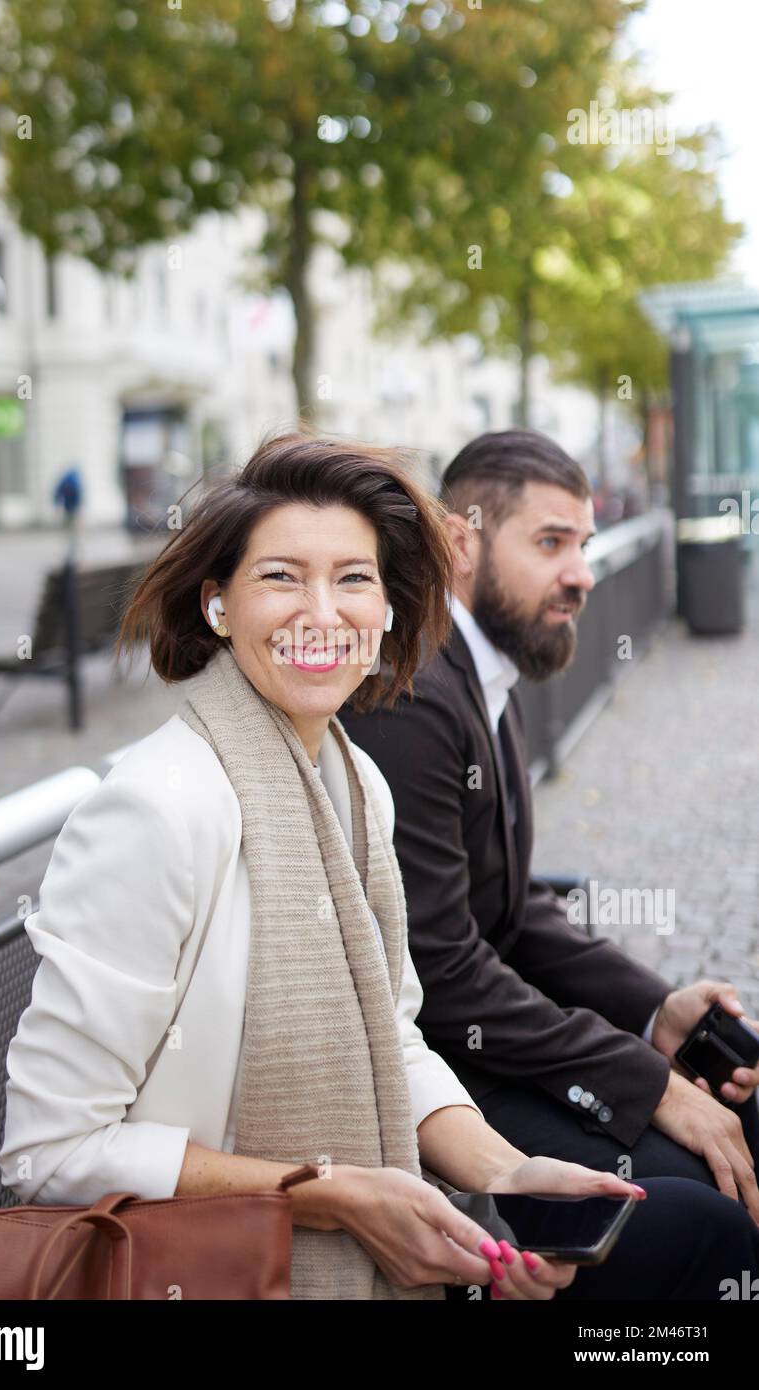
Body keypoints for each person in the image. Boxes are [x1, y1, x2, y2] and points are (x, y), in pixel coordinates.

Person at [0, 430, 759, 1300]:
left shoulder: (355, 781)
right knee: (701, 1239)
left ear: (390, 609)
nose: (324, 613)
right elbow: (47, 1150)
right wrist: (336, 1196)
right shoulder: (155, 808)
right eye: (282, 576)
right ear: (217, 605)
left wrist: (508, 1175)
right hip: (219, 1267)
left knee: (699, 1229)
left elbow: (390, 1037)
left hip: (364, 1224)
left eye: (354, 579)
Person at [339, 428, 759, 1216]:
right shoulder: (416, 695)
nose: (582, 574)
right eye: (551, 542)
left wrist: (652, 1009)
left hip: (484, 1046)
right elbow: (442, 969)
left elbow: (509, 904)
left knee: (739, 1121)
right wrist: (647, 1082)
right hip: (433, 1082)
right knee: (703, 1199)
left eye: (586, 543)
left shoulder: (483, 665)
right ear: (461, 544)